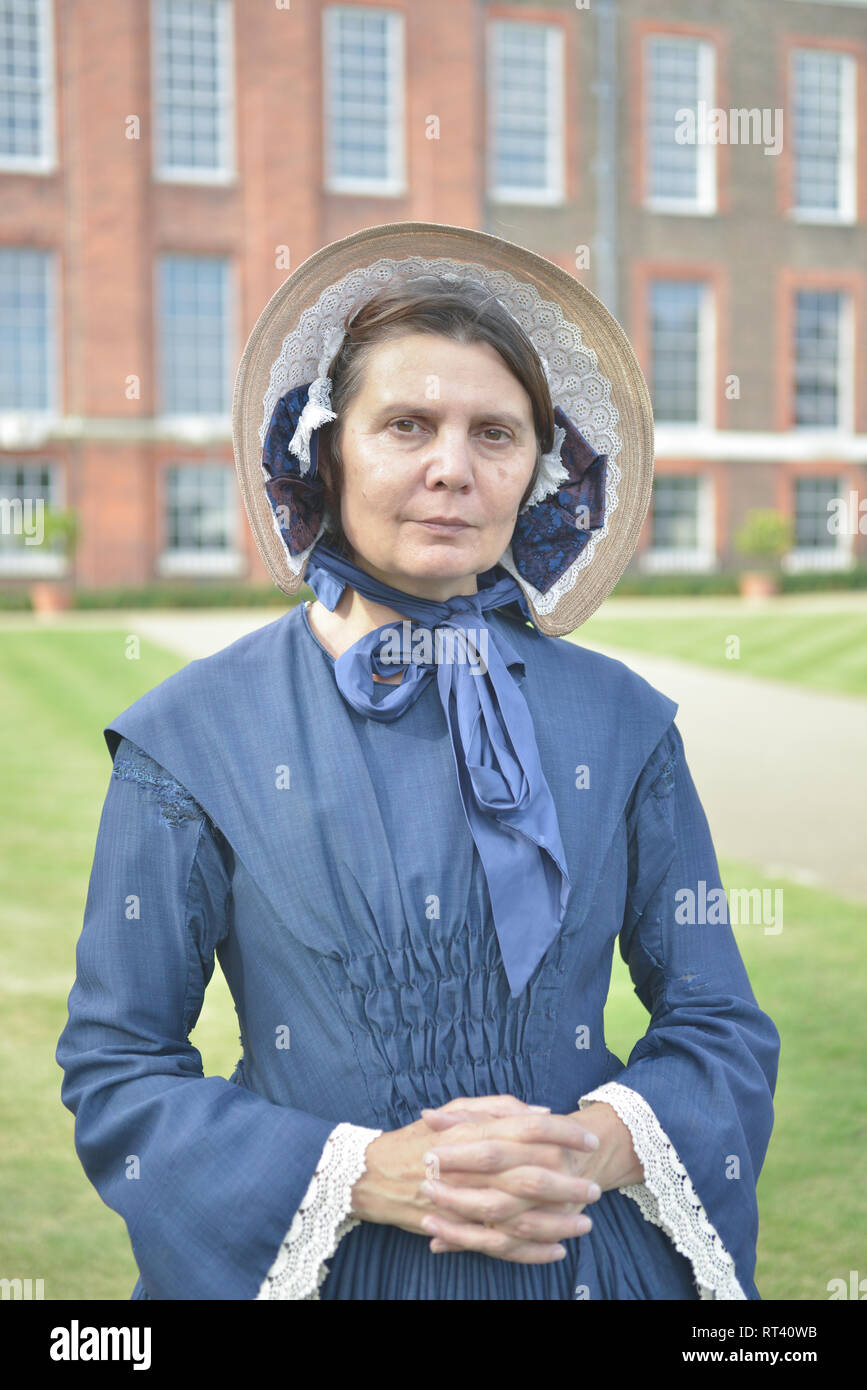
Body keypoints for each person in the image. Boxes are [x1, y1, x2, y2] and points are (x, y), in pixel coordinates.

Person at [56, 222, 780, 1301]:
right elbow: (120, 1068)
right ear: (327, 450)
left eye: (496, 432)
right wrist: (362, 1173)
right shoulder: (193, 739)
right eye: (408, 424)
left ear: (541, 466)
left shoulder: (626, 724)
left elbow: (719, 1022)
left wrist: (595, 1144)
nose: (453, 467)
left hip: (586, 1259)